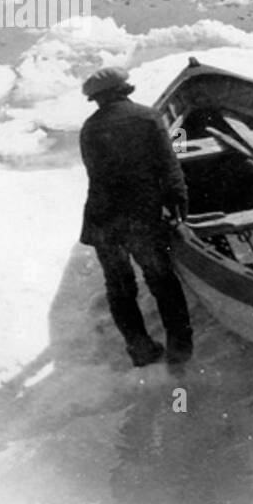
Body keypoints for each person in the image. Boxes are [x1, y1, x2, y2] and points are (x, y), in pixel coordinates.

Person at [78, 67, 192, 368]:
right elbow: (168, 165)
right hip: (140, 217)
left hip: (103, 219)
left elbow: (96, 174)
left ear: (97, 99)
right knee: (162, 281)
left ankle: (141, 350)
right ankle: (179, 350)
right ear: (125, 90)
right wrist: (178, 198)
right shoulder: (147, 117)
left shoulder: (89, 128)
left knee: (119, 287)